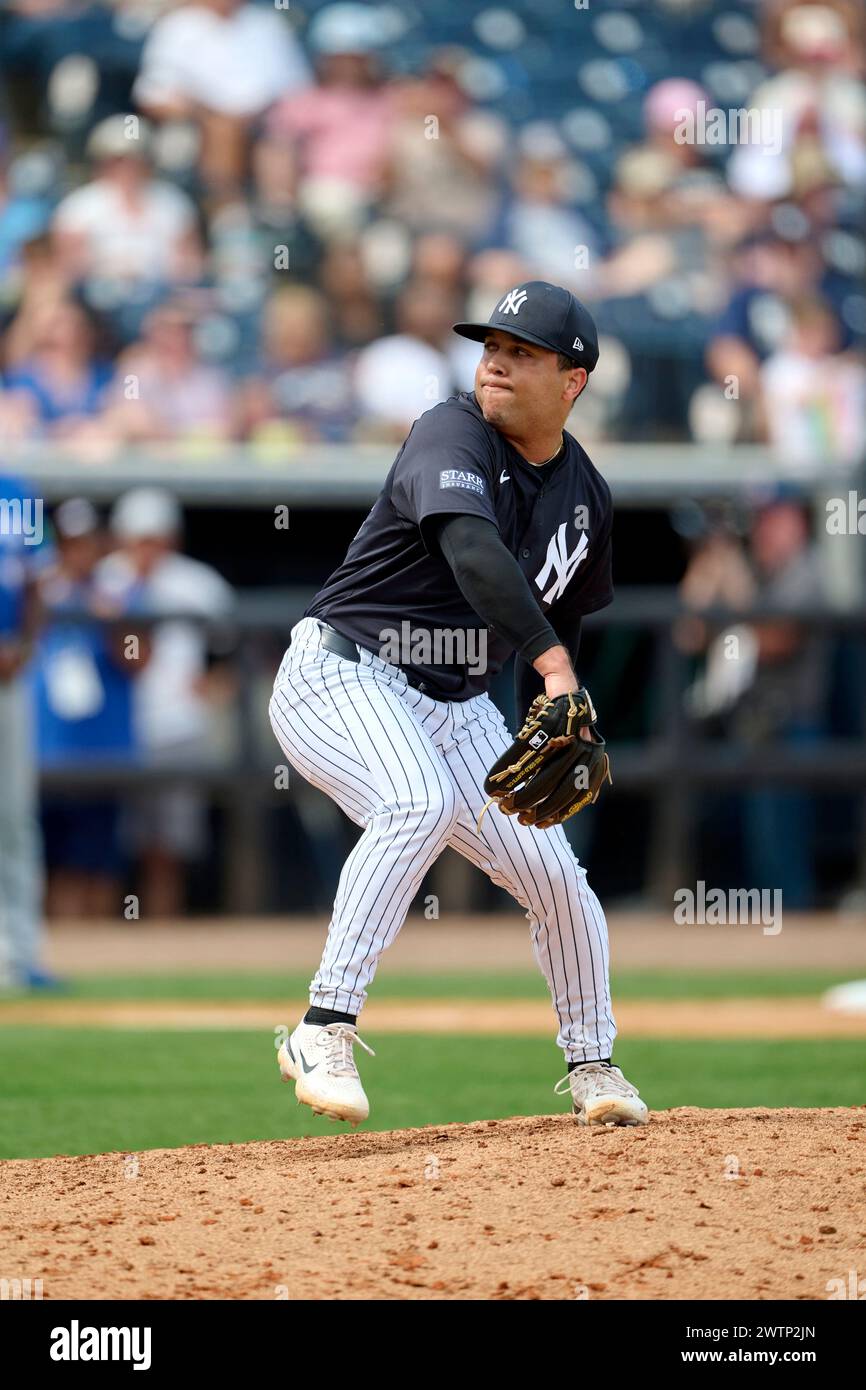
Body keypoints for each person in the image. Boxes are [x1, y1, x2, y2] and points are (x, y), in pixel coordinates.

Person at [269, 279, 648, 1128]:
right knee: (417, 802)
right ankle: (322, 1026)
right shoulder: (451, 430)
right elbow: (476, 556)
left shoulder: (586, 495)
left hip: (459, 705)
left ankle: (594, 1065)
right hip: (343, 674)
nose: (498, 365)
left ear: (573, 380)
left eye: (523, 354)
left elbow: (565, 618)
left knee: (558, 878)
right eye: (492, 349)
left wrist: (548, 716)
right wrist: (553, 667)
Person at [96, 488, 235, 918]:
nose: (147, 548)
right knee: (108, 849)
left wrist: (212, 686)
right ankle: (101, 950)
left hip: (178, 726)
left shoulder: (197, 582)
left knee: (169, 849)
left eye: (155, 538)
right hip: (113, 729)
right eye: (139, 538)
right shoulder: (104, 579)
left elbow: (228, 649)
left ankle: (161, 941)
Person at [34, 498, 140, 920]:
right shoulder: (36, 588)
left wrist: (110, 619)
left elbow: (138, 661)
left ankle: (100, 961)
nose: (79, 553)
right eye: (70, 543)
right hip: (45, 750)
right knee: (48, 864)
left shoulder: (118, 591)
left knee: (96, 863)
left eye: (87, 543)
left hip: (103, 752)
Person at [0, 471, 51, 989]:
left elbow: (38, 583)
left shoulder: (18, 493)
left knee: (14, 814)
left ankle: (21, 953)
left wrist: (23, 649)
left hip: (9, 675)